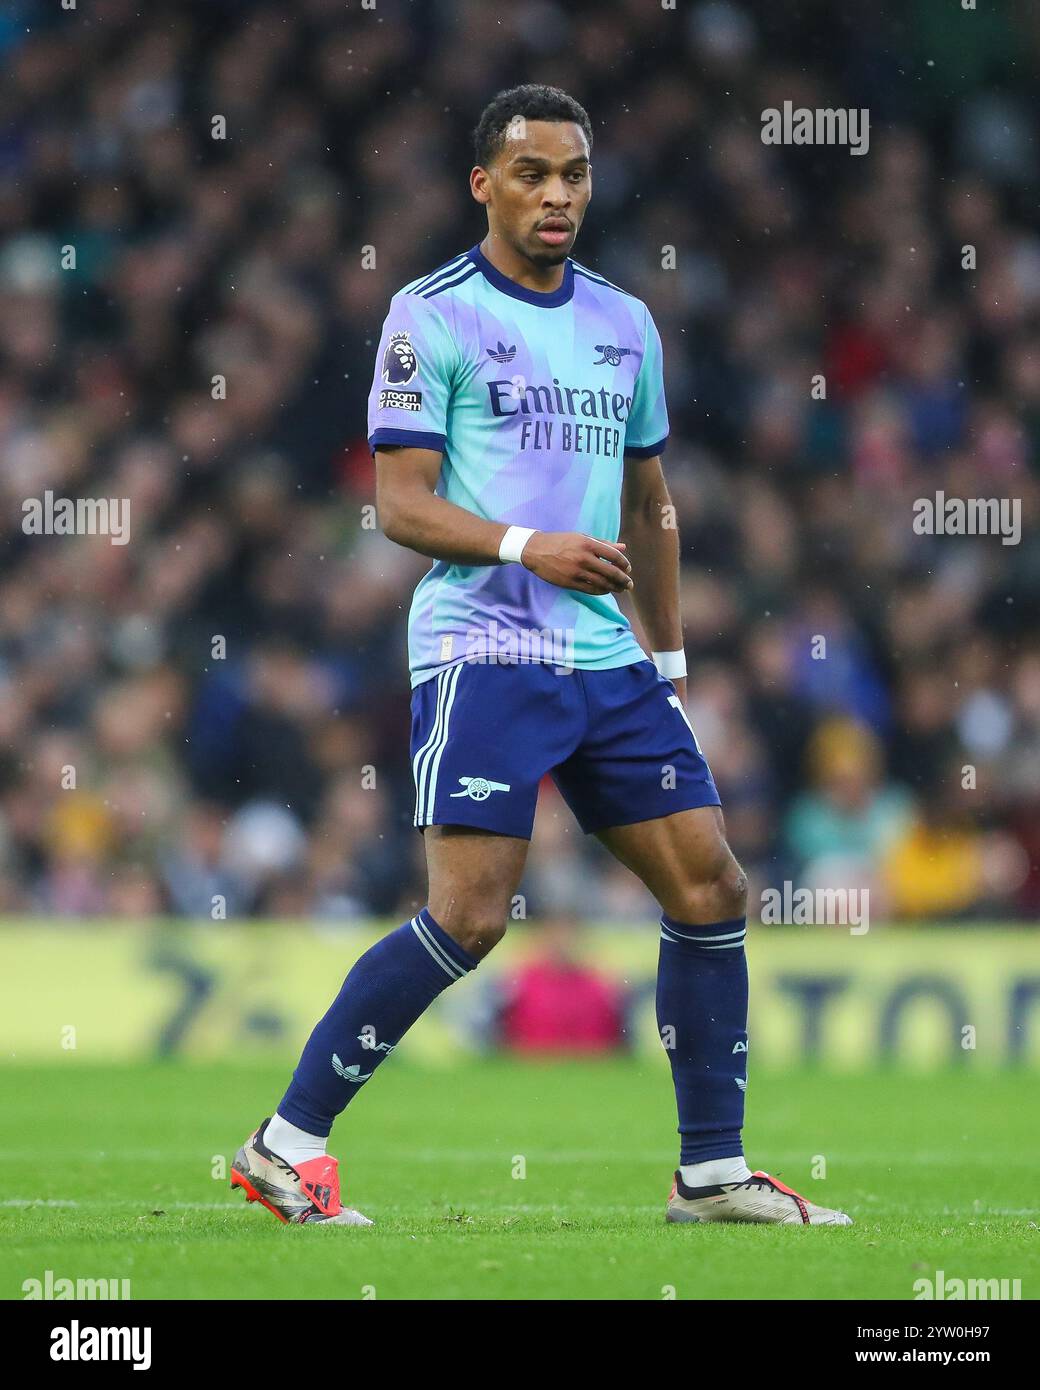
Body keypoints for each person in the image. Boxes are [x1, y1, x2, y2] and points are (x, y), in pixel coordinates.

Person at [230, 84, 851, 1227]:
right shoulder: (431, 314)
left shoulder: (624, 322)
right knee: (469, 916)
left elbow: (649, 501)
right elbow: (400, 505)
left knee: (712, 884)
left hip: (608, 661)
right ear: (483, 184)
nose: (557, 194)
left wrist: (666, 666)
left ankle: (709, 1174)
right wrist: (529, 545)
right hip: (486, 648)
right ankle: (284, 1143)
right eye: (531, 173)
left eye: (573, 174)